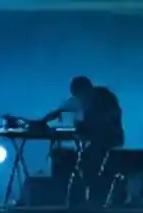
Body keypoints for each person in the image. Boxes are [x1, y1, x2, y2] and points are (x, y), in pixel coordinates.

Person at [49, 76, 124, 205]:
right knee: (83, 163)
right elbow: (62, 110)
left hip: (108, 141)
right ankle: (91, 198)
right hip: (101, 141)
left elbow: (104, 122)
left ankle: (95, 199)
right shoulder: (90, 99)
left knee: (86, 164)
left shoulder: (102, 99)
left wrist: (84, 127)